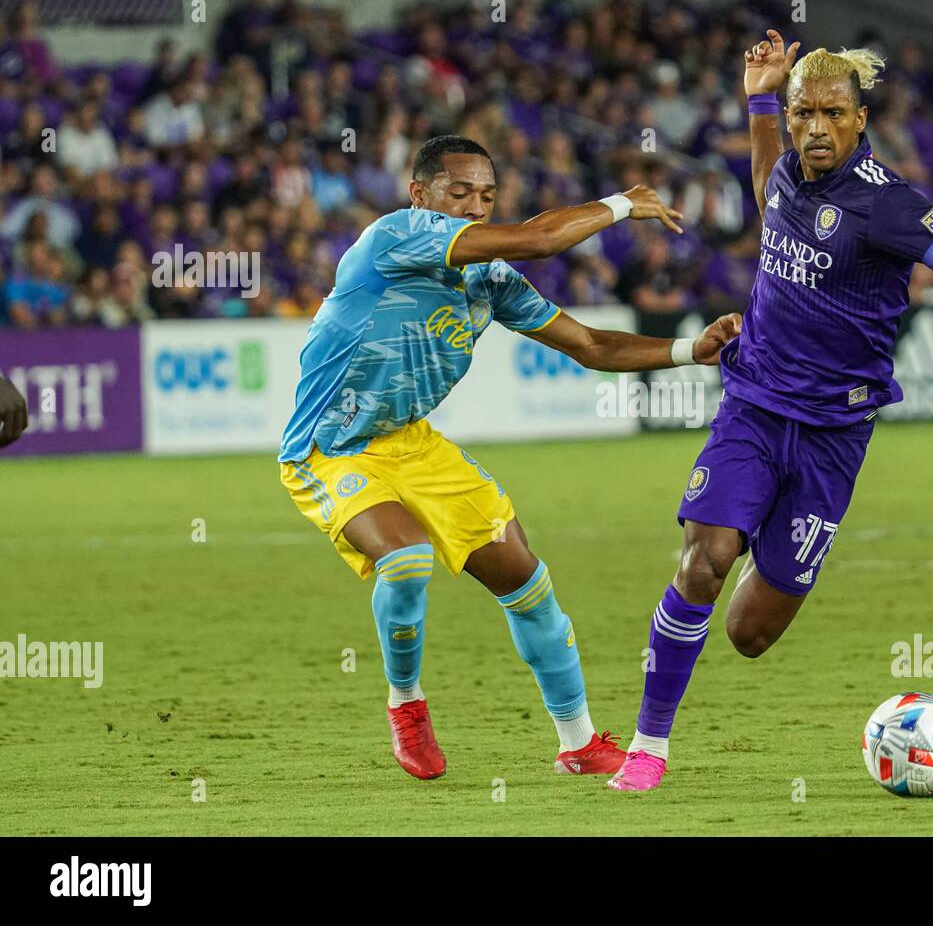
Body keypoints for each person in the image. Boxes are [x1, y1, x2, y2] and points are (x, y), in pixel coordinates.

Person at [608, 32, 933, 792]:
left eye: (831, 113)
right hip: (754, 404)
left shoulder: (889, 204)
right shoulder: (785, 174)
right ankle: (648, 748)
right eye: (804, 113)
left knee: (749, 634)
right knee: (703, 561)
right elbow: (765, 169)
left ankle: (759, 538)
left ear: (859, 120)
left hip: (836, 436)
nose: (815, 127)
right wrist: (760, 96)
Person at [278, 135, 741, 780]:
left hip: (412, 441)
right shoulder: (394, 238)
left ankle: (577, 743)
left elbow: (592, 346)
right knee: (407, 559)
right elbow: (536, 240)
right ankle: (407, 705)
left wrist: (692, 349)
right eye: (459, 192)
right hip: (330, 446)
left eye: (487, 195)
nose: (475, 206)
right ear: (421, 195)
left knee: (525, 581)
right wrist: (618, 204)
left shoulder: (489, 280)